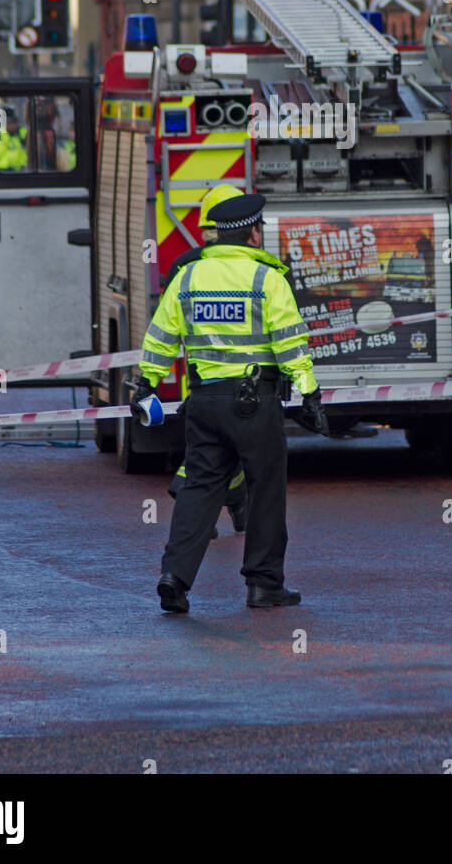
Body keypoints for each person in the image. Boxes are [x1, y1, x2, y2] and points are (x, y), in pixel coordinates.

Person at [133, 192, 327, 613]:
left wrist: (146, 385)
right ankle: (264, 585)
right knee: (265, 491)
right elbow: (290, 342)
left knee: (199, 489)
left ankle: (175, 577)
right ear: (253, 232)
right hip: (255, 403)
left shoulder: (188, 277)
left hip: (203, 402)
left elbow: (161, 337)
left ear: (219, 234)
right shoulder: (266, 278)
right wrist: (309, 392)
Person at [165, 184, 248, 536]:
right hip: (246, 383)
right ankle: (209, 500)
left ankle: (218, 505)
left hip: (199, 382)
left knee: (210, 452)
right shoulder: (255, 268)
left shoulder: (185, 265)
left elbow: (167, 322)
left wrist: (146, 382)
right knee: (229, 453)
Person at [0, 105, 28, 171]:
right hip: (1, 171)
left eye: (13, 122)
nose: (12, 125)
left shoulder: (22, 132)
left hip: (22, 170)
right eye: (8, 123)